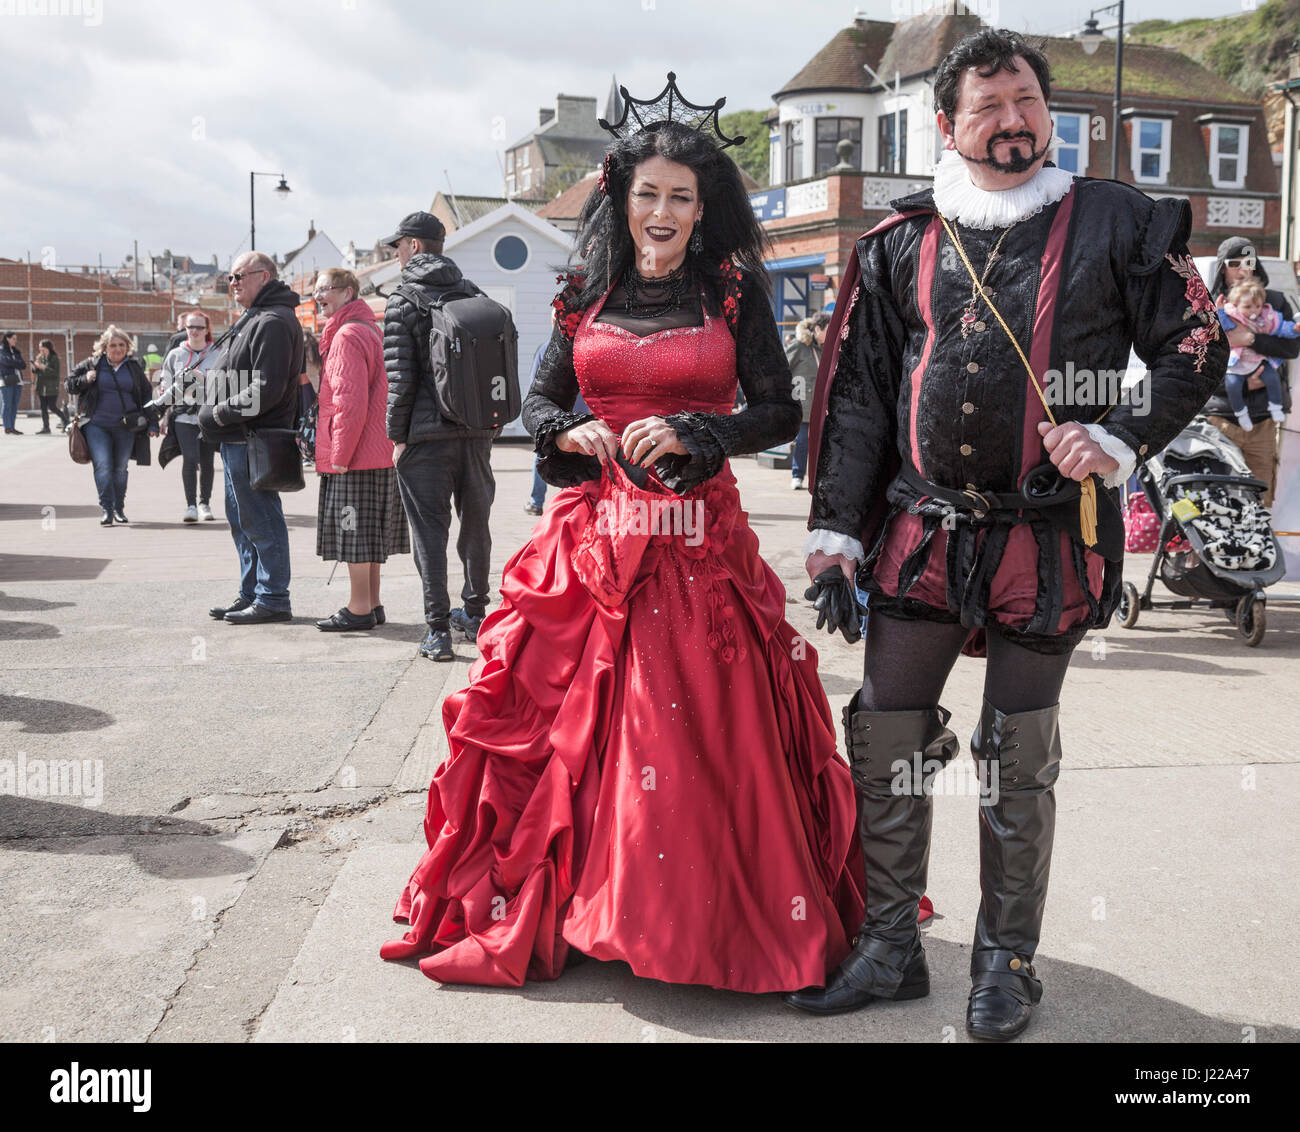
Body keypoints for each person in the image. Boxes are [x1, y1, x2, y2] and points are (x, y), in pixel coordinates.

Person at [380, 81, 866, 994]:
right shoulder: (582, 291)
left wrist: (702, 429)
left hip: (694, 537)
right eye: (648, 193)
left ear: (703, 206)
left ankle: (699, 917)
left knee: (690, 722)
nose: (664, 211)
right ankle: (581, 908)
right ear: (623, 198)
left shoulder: (733, 291)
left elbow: (778, 408)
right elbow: (536, 403)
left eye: (682, 196)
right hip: (591, 538)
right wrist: (566, 434)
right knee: (574, 719)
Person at [789, 29, 1227, 1039]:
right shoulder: (899, 239)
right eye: (986, 107)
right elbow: (857, 393)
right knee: (887, 733)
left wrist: (1119, 432)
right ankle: (890, 947)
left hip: (1050, 533)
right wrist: (832, 528)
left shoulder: (1119, 220)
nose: (1012, 120)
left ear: (1047, 111)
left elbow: (1194, 341)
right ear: (947, 125)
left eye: (1025, 100)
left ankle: (1006, 965)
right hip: (922, 527)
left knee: (1012, 756)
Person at [383, 210, 498, 661]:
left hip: (425, 439)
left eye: (398, 246)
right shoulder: (473, 293)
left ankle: (437, 631)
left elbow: (401, 380)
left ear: (413, 246)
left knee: (429, 534)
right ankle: (475, 615)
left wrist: (398, 437)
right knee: (476, 528)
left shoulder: (403, 301)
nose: (395, 254)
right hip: (476, 432)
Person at [198, 251, 305, 625]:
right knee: (243, 521)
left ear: (264, 276)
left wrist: (216, 411)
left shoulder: (273, 320)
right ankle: (252, 593)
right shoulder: (257, 317)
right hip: (238, 438)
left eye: (239, 276)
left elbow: (265, 388)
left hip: (252, 438)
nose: (233, 283)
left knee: (261, 520)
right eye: (230, 277)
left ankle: (273, 596)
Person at [311, 268, 410, 631]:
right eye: (316, 290)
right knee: (369, 532)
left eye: (326, 289)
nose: (319, 296)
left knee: (354, 532)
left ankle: (358, 608)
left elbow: (348, 402)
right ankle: (372, 603)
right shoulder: (368, 329)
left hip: (355, 454)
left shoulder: (347, 335)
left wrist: (338, 456)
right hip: (378, 451)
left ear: (348, 292)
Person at [1203, 238, 1299, 506]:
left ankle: (1259, 548)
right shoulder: (1209, 306)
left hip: (1263, 419)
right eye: (1235, 264)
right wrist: (1243, 385)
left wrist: (1250, 340)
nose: (1243, 270)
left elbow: (1292, 347)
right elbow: (1195, 363)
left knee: (1260, 498)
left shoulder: (1275, 302)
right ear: (1223, 268)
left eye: (1249, 263)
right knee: (1217, 501)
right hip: (1218, 418)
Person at [66, 326, 157, 525]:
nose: (118, 349)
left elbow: (146, 395)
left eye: (121, 345)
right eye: (113, 345)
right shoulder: (92, 364)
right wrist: (85, 379)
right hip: (96, 425)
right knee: (103, 466)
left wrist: (153, 423)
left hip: (126, 426)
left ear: (127, 347)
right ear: (104, 347)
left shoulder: (133, 367)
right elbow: (69, 384)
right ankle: (106, 508)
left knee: (120, 468)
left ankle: (119, 508)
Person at [156, 309, 220, 521]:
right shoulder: (176, 354)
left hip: (207, 415)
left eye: (199, 327)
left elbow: (226, 385)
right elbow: (165, 388)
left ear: (207, 329)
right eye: (190, 326)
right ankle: (191, 505)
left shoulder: (217, 353)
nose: (194, 331)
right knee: (190, 459)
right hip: (183, 415)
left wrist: (205, 381)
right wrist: (165, 414)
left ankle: (205, 503)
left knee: (207, 460)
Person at [1216, 279, 1298, 431]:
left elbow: (1280, 328)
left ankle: (1275, 406)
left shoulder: (1266, 318)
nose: (1253, 310)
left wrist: (1294, 329)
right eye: (1248, 307)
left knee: (1272, 377)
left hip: (1257, 360)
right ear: (1235, 305)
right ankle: (1240, 412)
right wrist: (1220, 310)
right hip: (1238, 363)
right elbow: (1222, 324)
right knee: (1232, 384)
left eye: (1257, 306)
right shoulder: (1232, 317)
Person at [784, 310, 829, 490]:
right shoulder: (799, 346)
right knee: (802, 441)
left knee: (821, 444)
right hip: (802, 404)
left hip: (821, 406)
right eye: (828, 328)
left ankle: (818, 478)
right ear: (818, 329)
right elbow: (783, 368)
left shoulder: (826, 349)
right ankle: (797, 475)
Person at [32, 340, 68, 433]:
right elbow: (36, 371)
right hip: (41, 386)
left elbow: (55, 373)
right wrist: (35, 367)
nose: (41, 350)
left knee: (52, 406)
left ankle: (66, 422)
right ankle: (46, 427)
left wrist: (43, 368)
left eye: (42, 348)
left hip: (51, 387)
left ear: (48, 348)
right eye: (40, 348)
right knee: (43, 407)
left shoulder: (54, 358)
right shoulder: (40, 357)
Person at [1, 331, 26, 434]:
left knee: (14, 405)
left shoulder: (16, 351)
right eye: (14, 339)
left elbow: (23, 365)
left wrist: (14, 363)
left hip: (18, 381)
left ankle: (12, 427)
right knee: (7, 404)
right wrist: (16, 363)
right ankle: (7, 427)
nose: (15, 341)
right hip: (6, 380)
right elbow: (5, 362)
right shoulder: (1, 350)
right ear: (7, 338)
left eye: (16, 339)